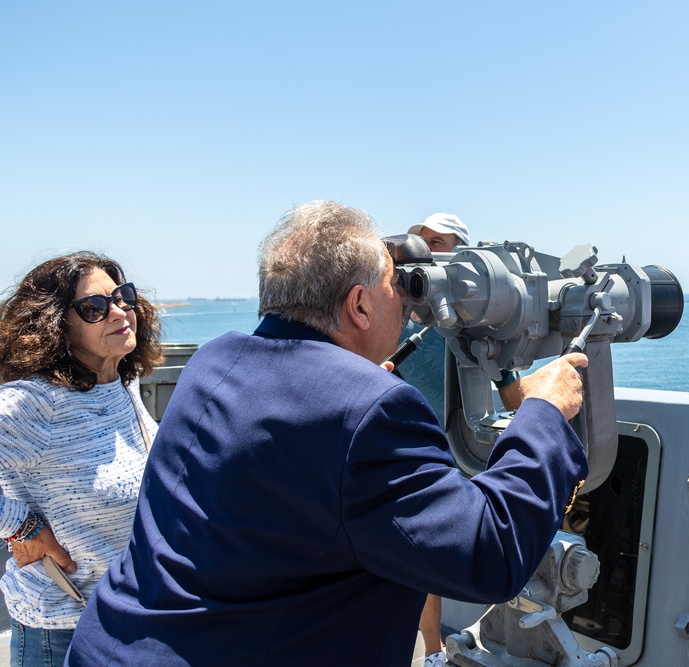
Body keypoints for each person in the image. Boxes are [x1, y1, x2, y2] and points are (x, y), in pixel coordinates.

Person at [65, 200, 589, 666]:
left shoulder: (213, 360)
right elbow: (490, 555)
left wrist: (349, 382)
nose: (405, 299)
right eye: (394, 284)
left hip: (111, 644)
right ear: (359, 306)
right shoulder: (370, 410)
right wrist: (543, 413)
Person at [0, 252, 161, 667]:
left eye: (123, 297)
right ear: (57, 324)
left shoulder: (120, 383)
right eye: (94, 307)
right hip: (63, 635)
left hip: (128, 621)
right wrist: (22, 527)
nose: (119, 311)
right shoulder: (34, 404)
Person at [398, 213, 523, 665]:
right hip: (409, 449)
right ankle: (430, 651)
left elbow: (509, 385)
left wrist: (537, 427)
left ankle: (464, 645)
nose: (424, 251)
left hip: (462, 453)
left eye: (436, 242)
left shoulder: (477, 322)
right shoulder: (396, 316)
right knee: (417, 561)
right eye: (420, 242)